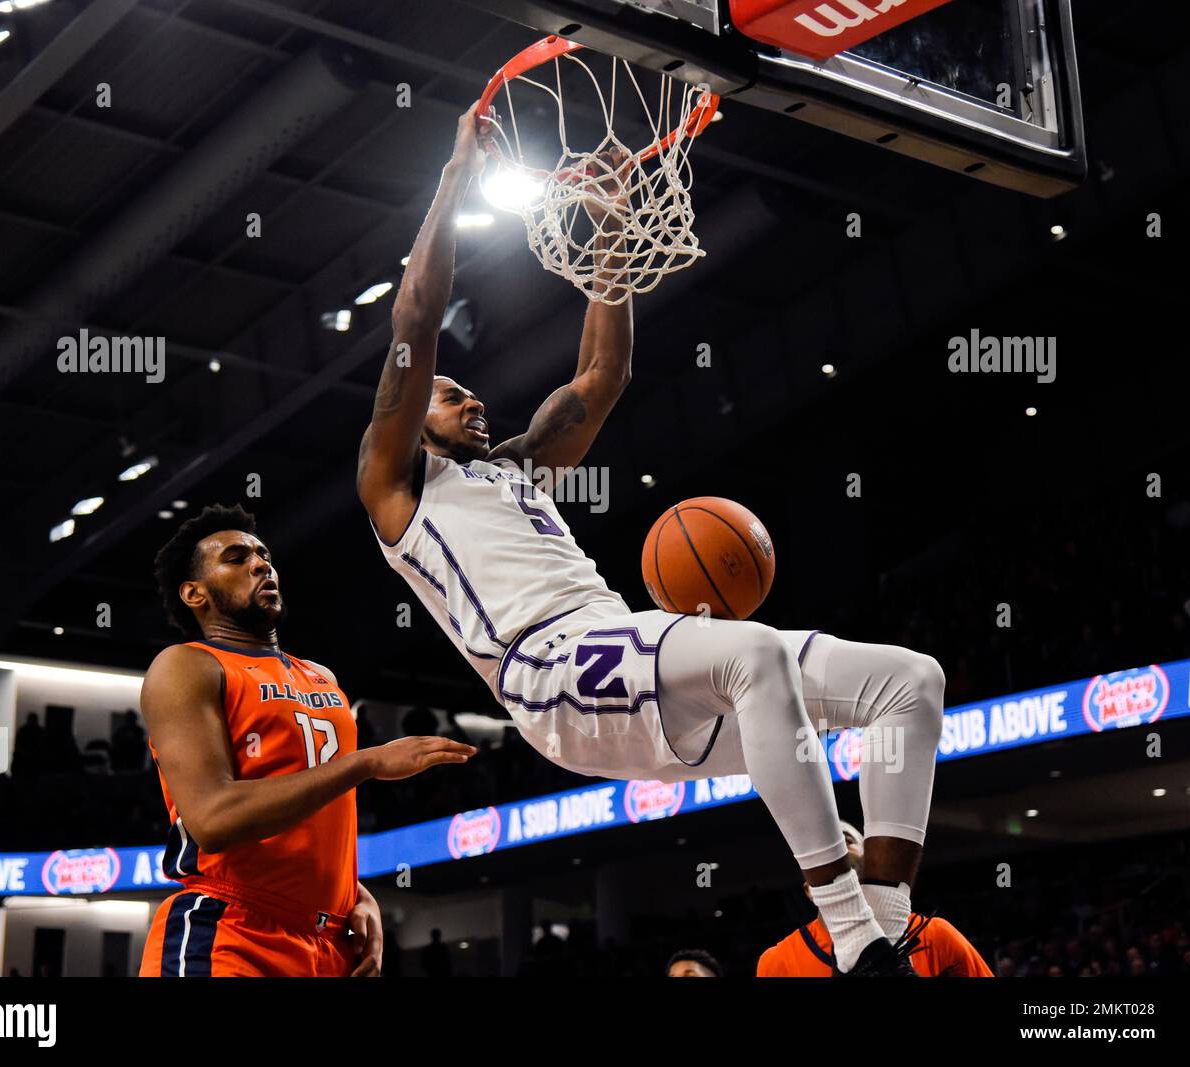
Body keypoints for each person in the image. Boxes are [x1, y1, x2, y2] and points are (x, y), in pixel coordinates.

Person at [357, 103, 947, 976]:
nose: (472, 399)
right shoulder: (397, 487)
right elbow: (415, 316)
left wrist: (610, 234)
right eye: (450, 394)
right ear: (413, 415)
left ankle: (885, 924)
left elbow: (602, 376)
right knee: (754, 653)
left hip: (619, 654)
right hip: (547, 669)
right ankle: (849, 927)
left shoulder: (516, 467)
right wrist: (455, 178)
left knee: (907, 681)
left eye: (472, 391)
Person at [137, 504, 474, 977]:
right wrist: (366, 763)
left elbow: (318, 820)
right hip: (232, 933)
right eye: (235, 559)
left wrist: (355, 895)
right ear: (195, 593)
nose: (261, 564)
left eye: (263, 555)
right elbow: (212, 818)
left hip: (328, 943)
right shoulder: (186, 666)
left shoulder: (321, 676)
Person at [757, 825, 992, 977]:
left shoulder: (935, 935)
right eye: (826, 848)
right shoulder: (778, 962)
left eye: (845, 840)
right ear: (809, 890)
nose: (836, 851)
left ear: (872, 864)